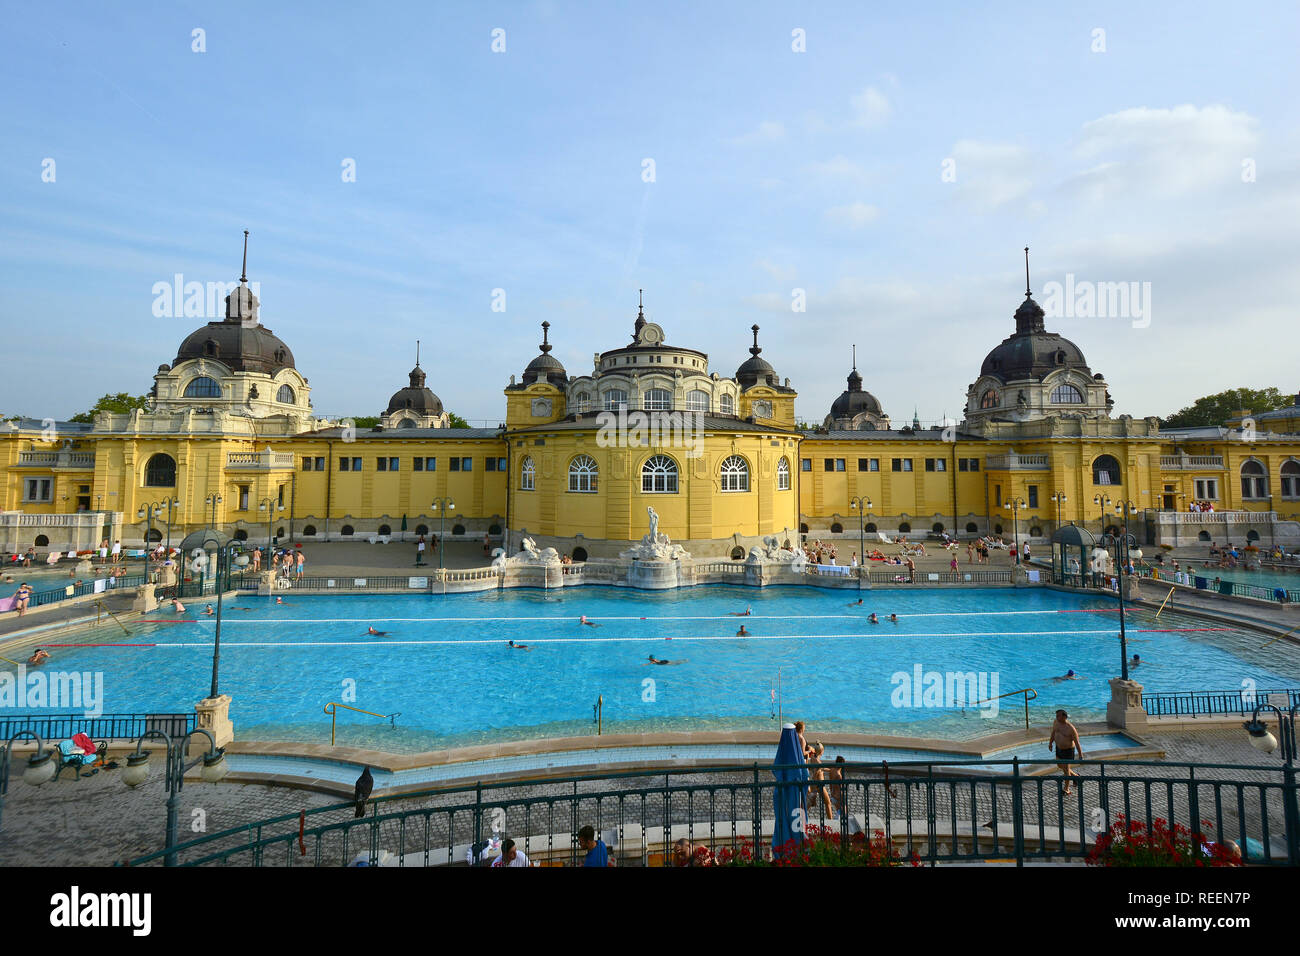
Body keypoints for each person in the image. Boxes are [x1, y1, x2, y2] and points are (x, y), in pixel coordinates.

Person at [1048, 709, 1084, 795]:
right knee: (1060, 765)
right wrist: (1050, 743)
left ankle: (1066, 789)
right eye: (1056, 716)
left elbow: (1077, 742)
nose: (1056, 717)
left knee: (1066, 769)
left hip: (1068, 751)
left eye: (1058, 716)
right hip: (1059, 748)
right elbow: (1053, 733)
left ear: (1064, 716)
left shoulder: (1070, 728)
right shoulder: (1056, 722)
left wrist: (1080, 755)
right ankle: (1075, 776)